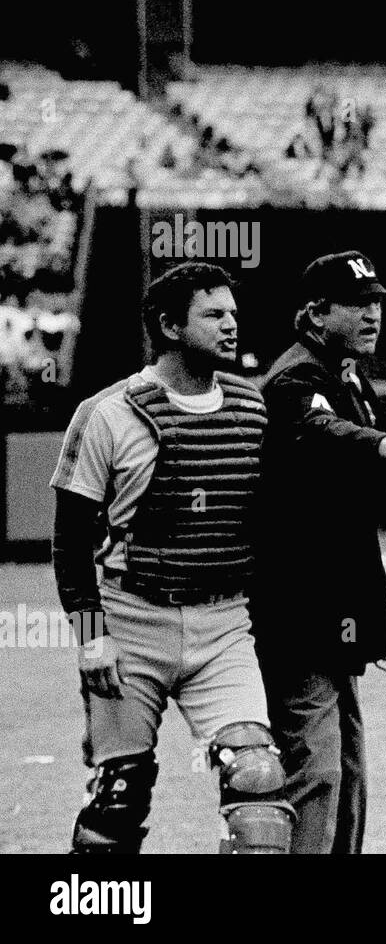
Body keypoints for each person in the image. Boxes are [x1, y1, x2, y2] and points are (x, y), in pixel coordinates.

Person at [50, 261, 293, 854]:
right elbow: (69, 544)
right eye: (214, 315)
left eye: (233, 313)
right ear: (170, 325)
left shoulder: (252, 408)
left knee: (259, 783)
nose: (231, 325)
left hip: (224, 624)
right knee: (119, 799)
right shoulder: (108, 413)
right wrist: (91, 636)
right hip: (129, 623)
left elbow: (274, 523)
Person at [254, 251, 386, 854]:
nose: (374, 312)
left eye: (377, 301)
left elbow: (324, 497)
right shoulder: (295, 380)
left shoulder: (347, 374)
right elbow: (327, 438)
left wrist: (374, 564)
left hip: (333, 599)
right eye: (358, 302)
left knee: (348, 774)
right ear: (316, 314)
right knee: (315, 775)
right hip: (298, 611)